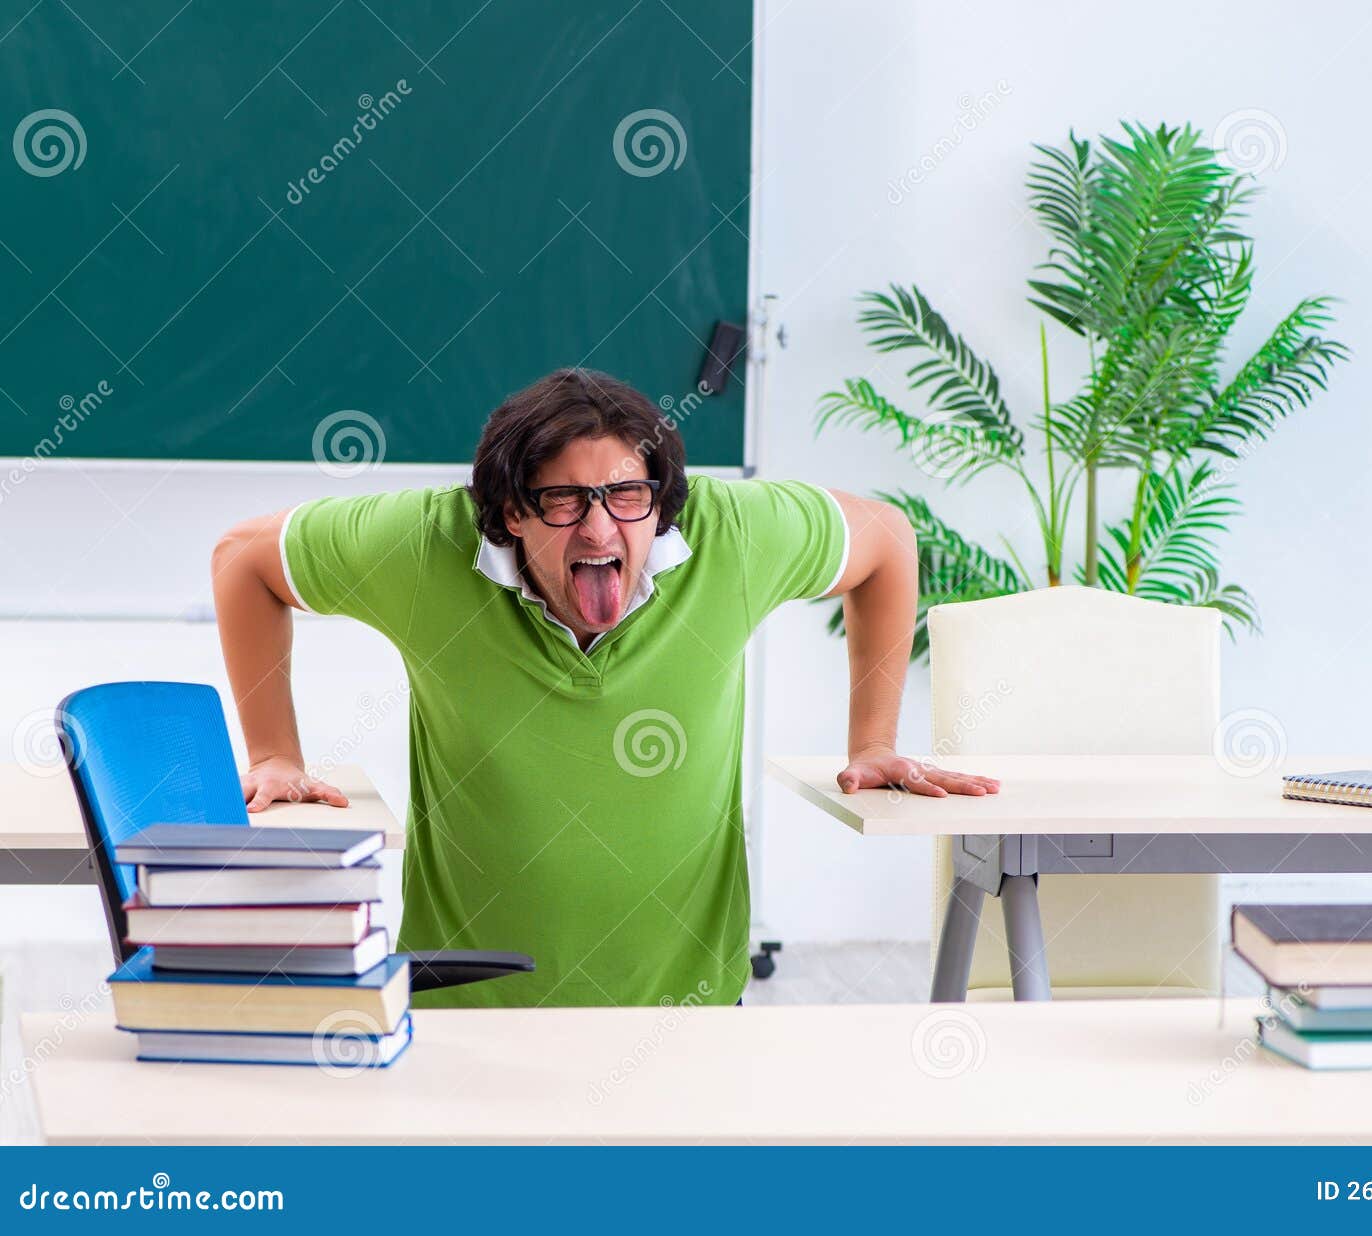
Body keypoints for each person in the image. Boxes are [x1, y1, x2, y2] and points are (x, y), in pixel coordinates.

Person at [211, 368, 999, 1007]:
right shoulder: (427, 545)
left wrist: (872, 741)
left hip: (684, 1014)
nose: (599, 529)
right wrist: (275, 752)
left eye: (627, 497)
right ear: (510, 511)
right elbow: (244, 559)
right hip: (471, 1011)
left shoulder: (731, 535)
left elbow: (888, 539)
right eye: (562, 500)